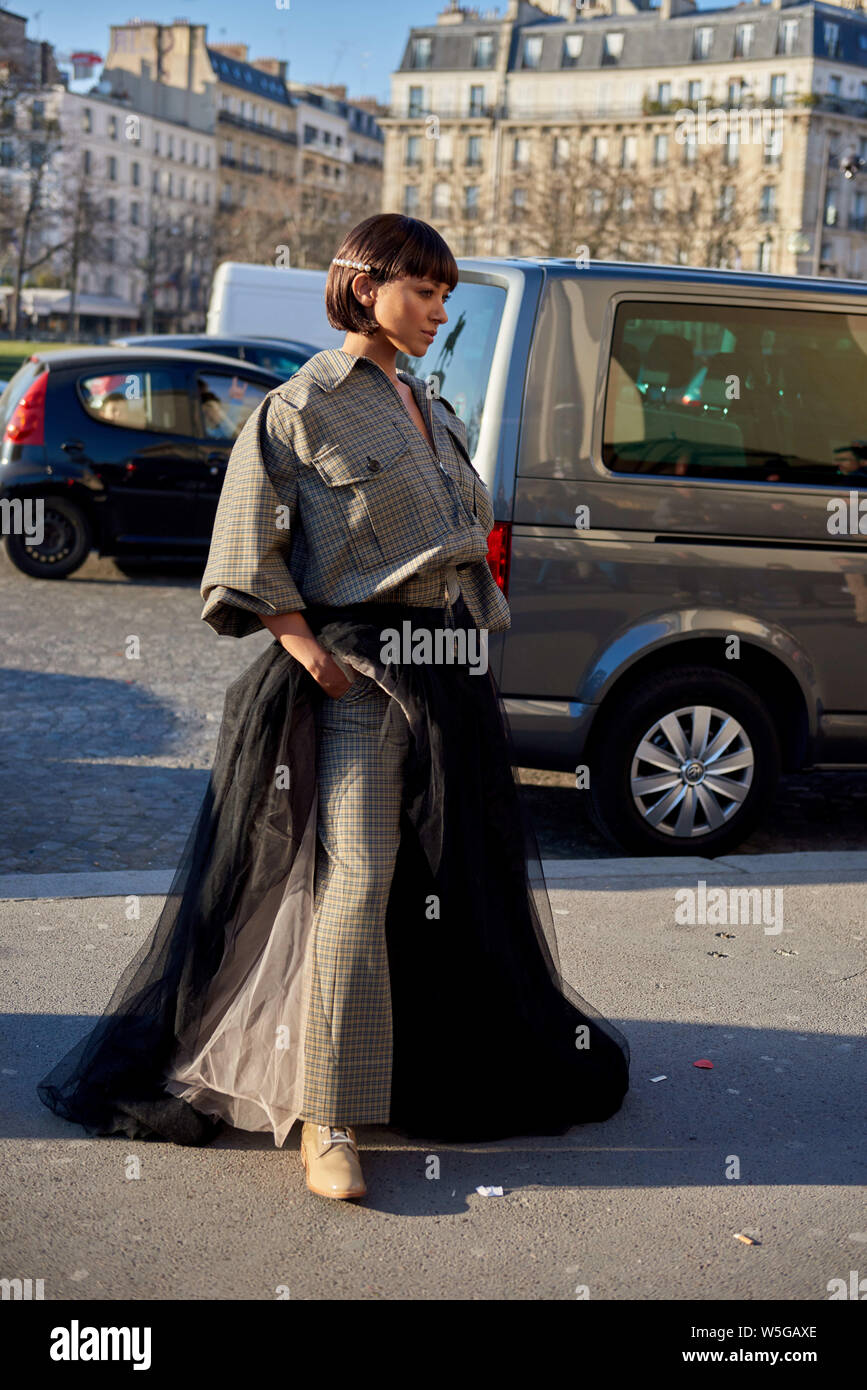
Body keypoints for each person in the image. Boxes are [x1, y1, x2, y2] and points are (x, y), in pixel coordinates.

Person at [36, 214, 630, 1202]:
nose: (440, 309)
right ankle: (330, 1118)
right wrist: (312, 654)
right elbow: (247, 548)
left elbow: (464, 540)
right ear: (363, 287)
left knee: (452, 877)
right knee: (356, 883)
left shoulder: (432, 409)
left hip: (447, 677)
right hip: (357, 674)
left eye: (445, 294)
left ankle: (418, 1072)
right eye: (424, 289)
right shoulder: (298, 407)